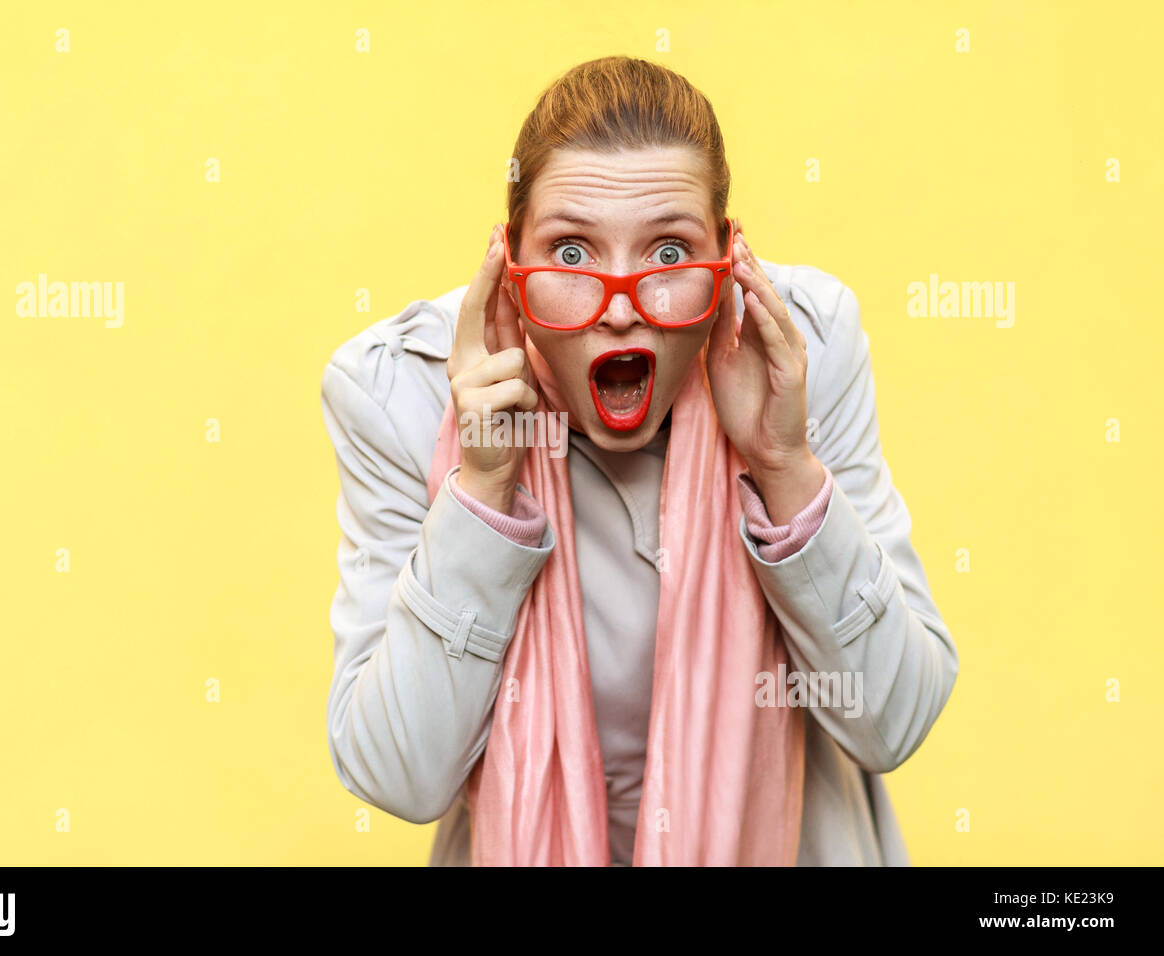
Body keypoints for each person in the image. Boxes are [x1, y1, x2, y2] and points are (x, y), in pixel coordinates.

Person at [320, 55, 959, 866]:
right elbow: (398, 776)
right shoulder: (399, 393)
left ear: (727, 256)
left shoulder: (800, 349)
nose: (621, 308)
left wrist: (784, 466)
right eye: (573, 253)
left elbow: (892, 720)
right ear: (509, 264)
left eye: (667, 254)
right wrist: (480, 491)